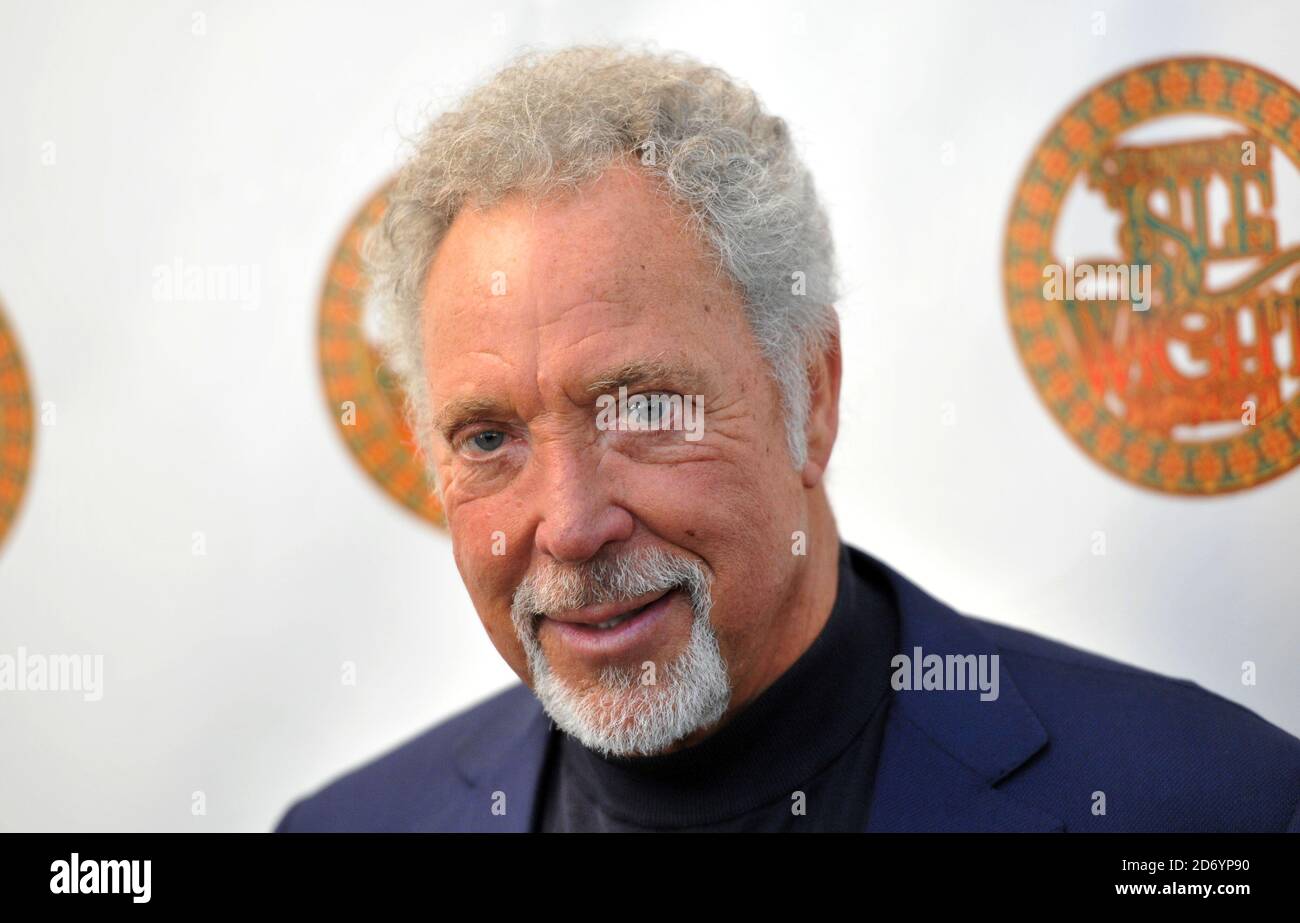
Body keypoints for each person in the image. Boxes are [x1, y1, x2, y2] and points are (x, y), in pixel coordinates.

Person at [275, 45, 1300, 832]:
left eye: (644, 408)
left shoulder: (1207, 804)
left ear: (810, 392)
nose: (573, 524)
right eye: (489, 436)